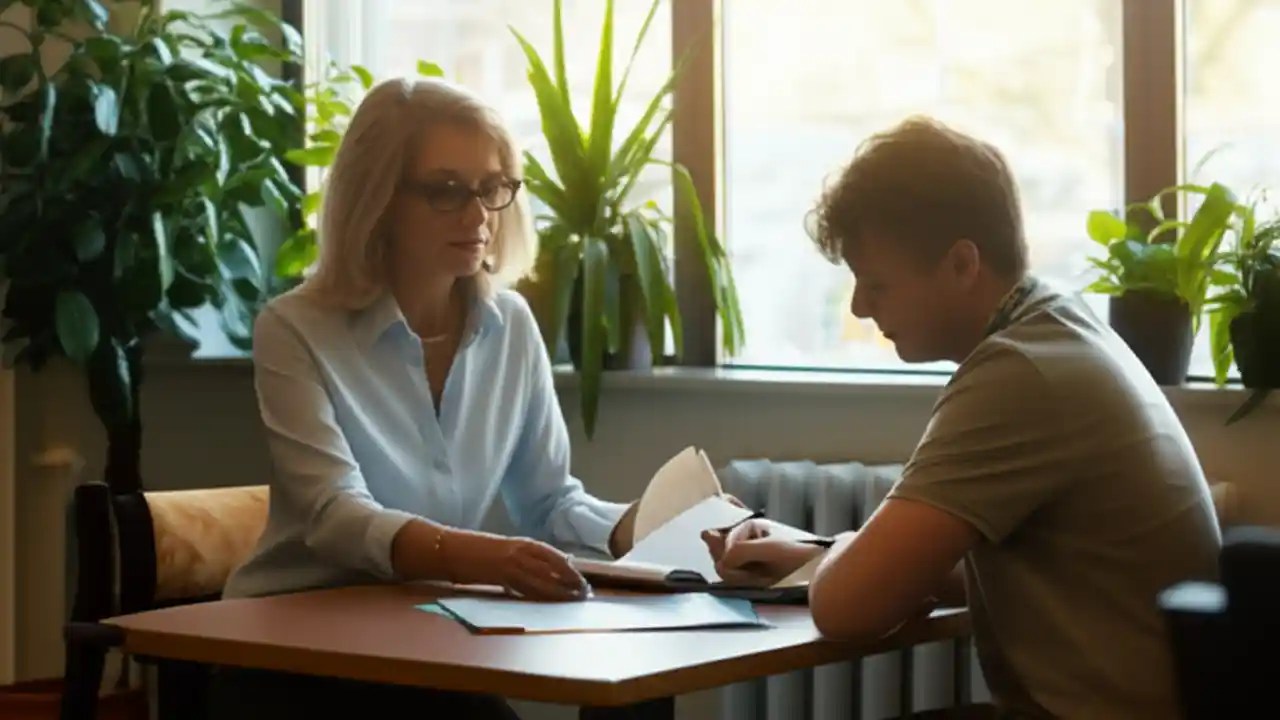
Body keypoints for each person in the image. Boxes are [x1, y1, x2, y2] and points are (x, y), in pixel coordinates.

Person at [703, 117, 1223, 719]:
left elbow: (846, 610)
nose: (858, 307)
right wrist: (814, 553)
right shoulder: (1056, 328)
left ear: (961, 264)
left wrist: (839, 560)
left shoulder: (1019, 374)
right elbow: (985, 574)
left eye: (877, 284)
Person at [212, 77, 644, 719]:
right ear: (377, 200)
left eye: (492, 188)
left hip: (426, 638)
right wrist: (476, 555)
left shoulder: (513, 326)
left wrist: (648, 526)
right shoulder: (295, 328)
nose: (478, 217)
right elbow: (334, 515)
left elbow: (549, 500)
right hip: (294, 653)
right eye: (445, 191)